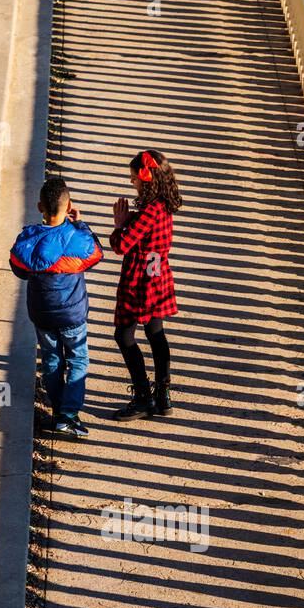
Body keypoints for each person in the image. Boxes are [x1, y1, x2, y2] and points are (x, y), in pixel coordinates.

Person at [10, 175, 103, 437]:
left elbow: (19, 269)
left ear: (40, 207)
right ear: (69, 204)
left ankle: (59, 408)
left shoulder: (27, 239)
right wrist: (81, 224)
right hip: (72, 312)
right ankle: (68, 415)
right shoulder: (76, 238)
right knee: (78, 359)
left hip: (41, 313)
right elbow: (95, 254)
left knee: (52, 359)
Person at [110, 148, 182, 420]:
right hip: (158, 276)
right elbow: (146, 229)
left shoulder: (149, 211)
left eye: (134, 178)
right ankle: (163, 394)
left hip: (139, 282)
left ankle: (142, 397)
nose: (132, 183)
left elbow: (123, 245)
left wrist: (119, 226)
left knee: (124, 336)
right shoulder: (163, 205)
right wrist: (131, 220)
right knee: (156, 333)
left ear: (146, 179)